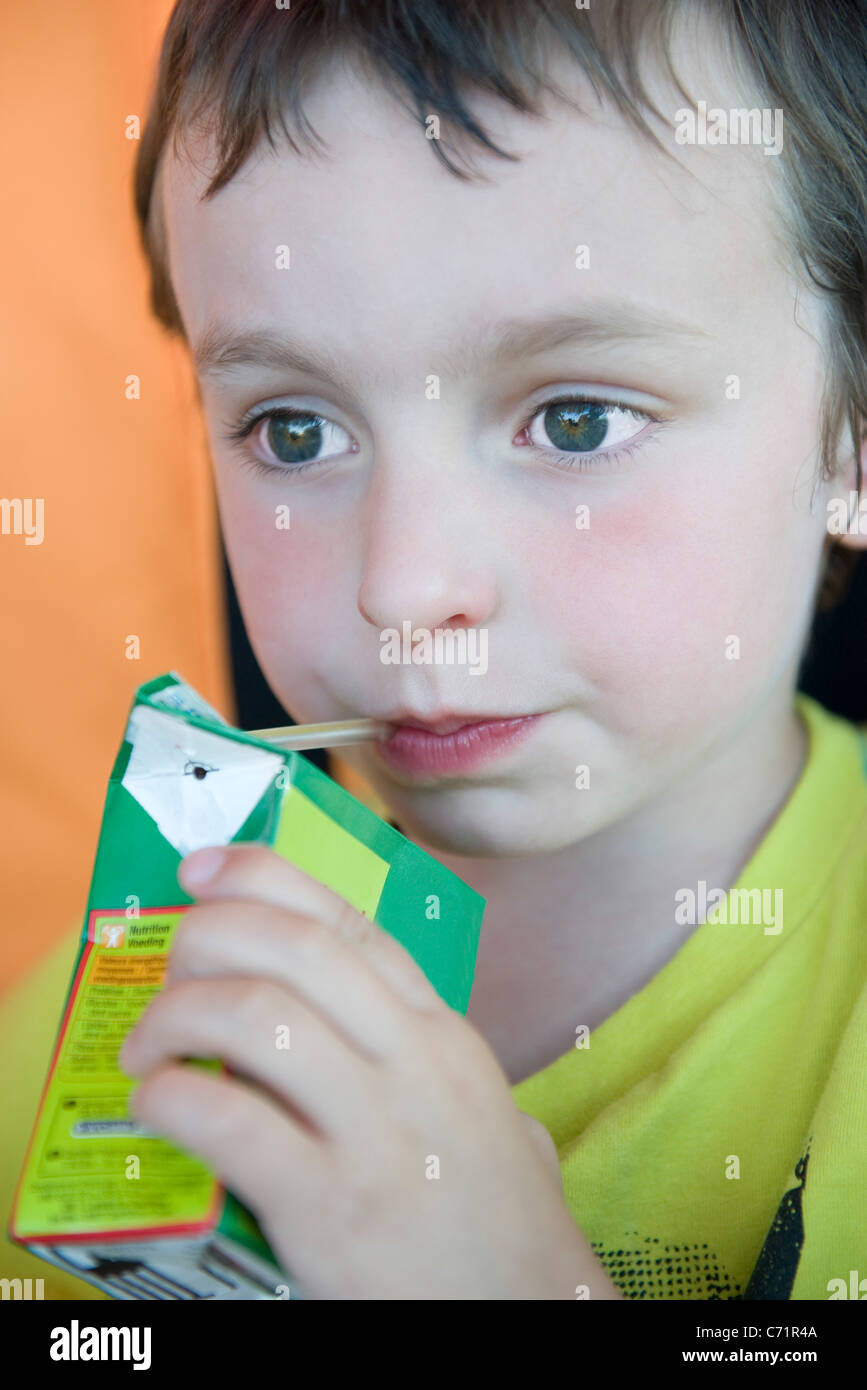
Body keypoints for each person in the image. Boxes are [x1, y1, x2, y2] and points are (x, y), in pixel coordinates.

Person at [121, 0, 867, 1298]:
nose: (405, 587)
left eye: (575, 420)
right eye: (293, 432)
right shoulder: (105, 1038)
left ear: (851, 432)